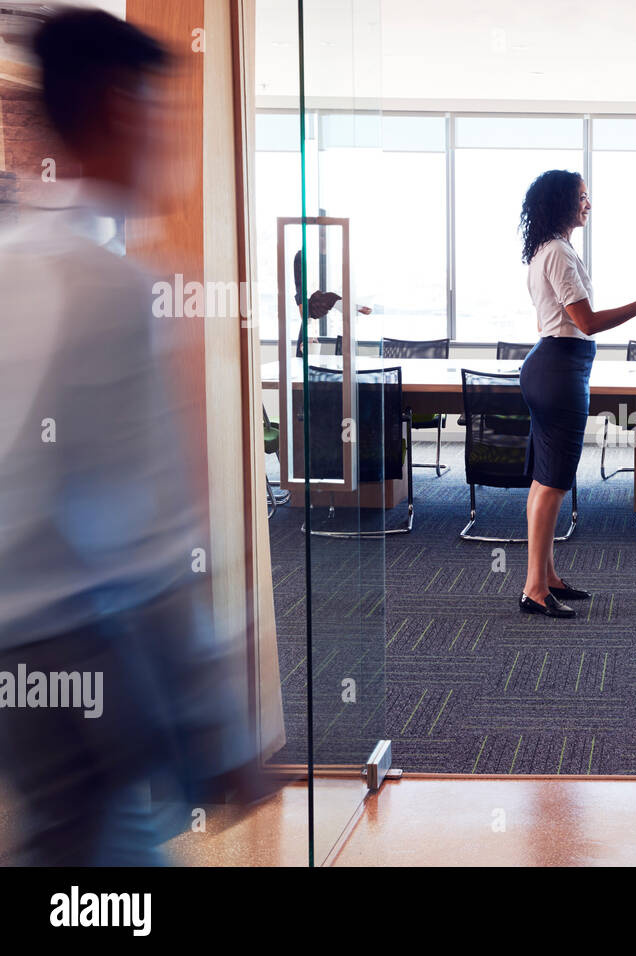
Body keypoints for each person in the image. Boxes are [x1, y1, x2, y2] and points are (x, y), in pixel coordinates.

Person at [0, 9, 261, 864]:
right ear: (118, 109)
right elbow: (147, 544)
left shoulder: (19, 262)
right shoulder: (107, 287)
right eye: (164, 113)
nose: (173, 144)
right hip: (79, 659)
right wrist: (218, 733)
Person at [517, 170, 636, 618]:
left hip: (554, 366)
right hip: (560, 370)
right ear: (562, 202)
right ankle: (534, 590)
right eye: (581, 197)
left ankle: (547, 576)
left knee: (545, 479)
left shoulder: (548, 249)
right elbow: (587, 322)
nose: (588, 204)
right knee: (554, 482)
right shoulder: (557, 252)